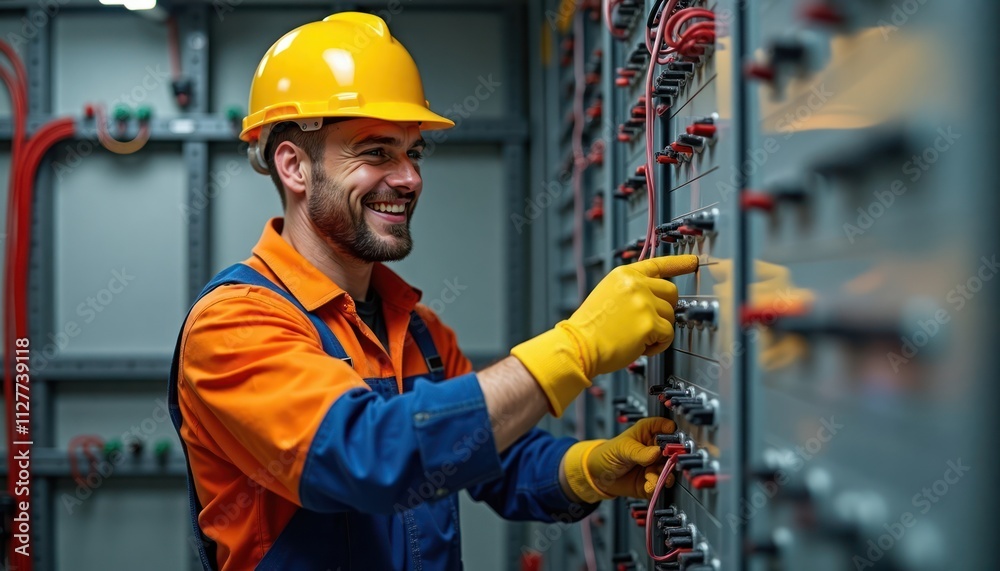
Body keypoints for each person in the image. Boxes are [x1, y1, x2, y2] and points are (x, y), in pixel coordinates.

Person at [167, 12, 699, 570]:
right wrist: (577, 348)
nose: (409, 178)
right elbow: (366, 457)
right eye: (376, 152)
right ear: (294, 165)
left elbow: (492, 453)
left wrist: (588, 468)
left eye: (413, 152)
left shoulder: (415, 327)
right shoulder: (234, 325)